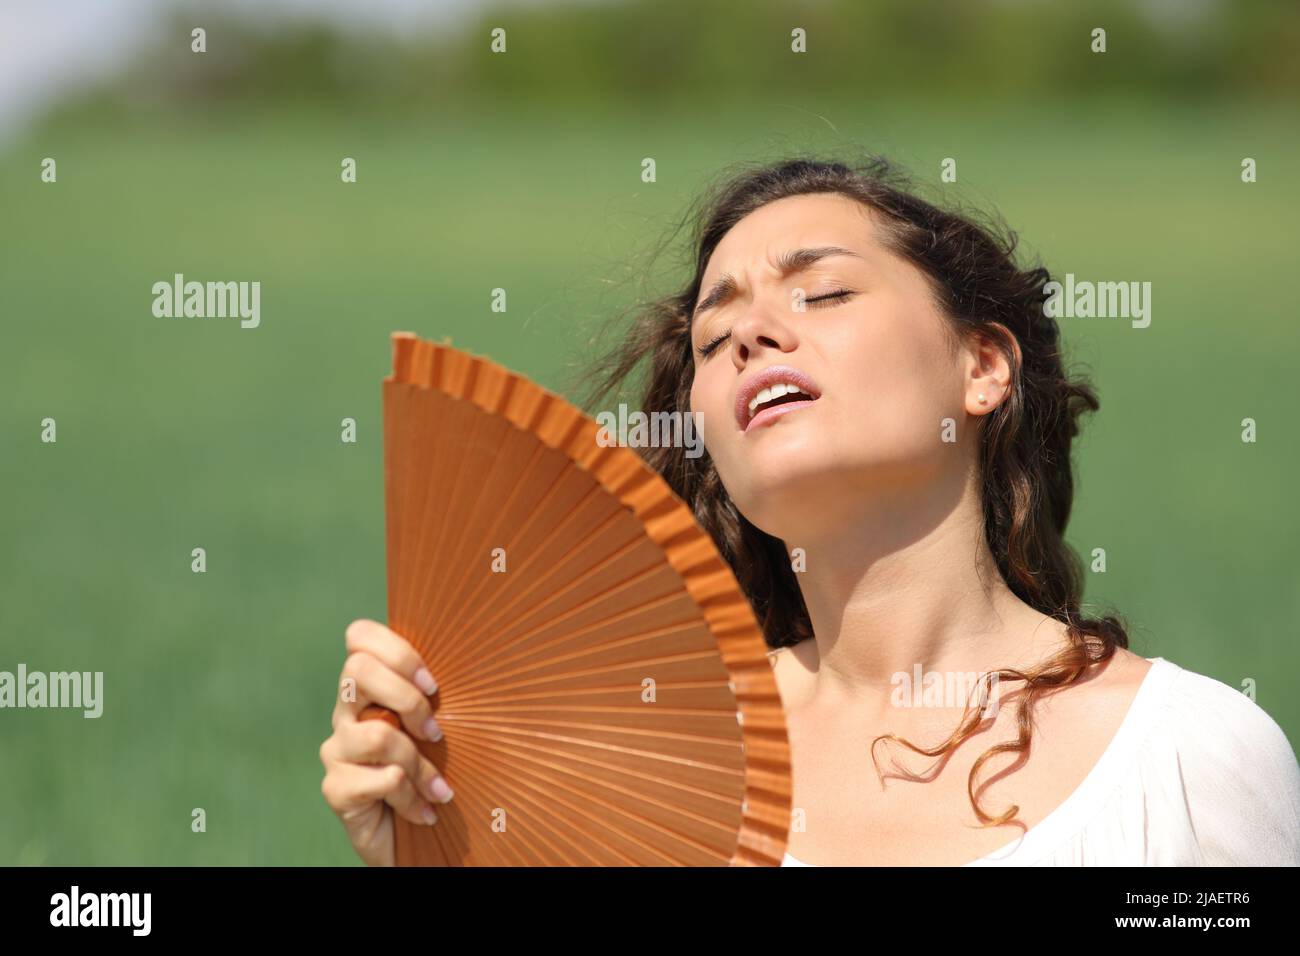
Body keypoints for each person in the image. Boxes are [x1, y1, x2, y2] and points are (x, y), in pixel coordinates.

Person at [320, 156, 1300, 866]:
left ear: (982, 365)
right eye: (712, 334)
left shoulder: (1184, 754)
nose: (751, 330)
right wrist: (429, 850)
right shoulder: (627, 760)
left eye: (822, 290)